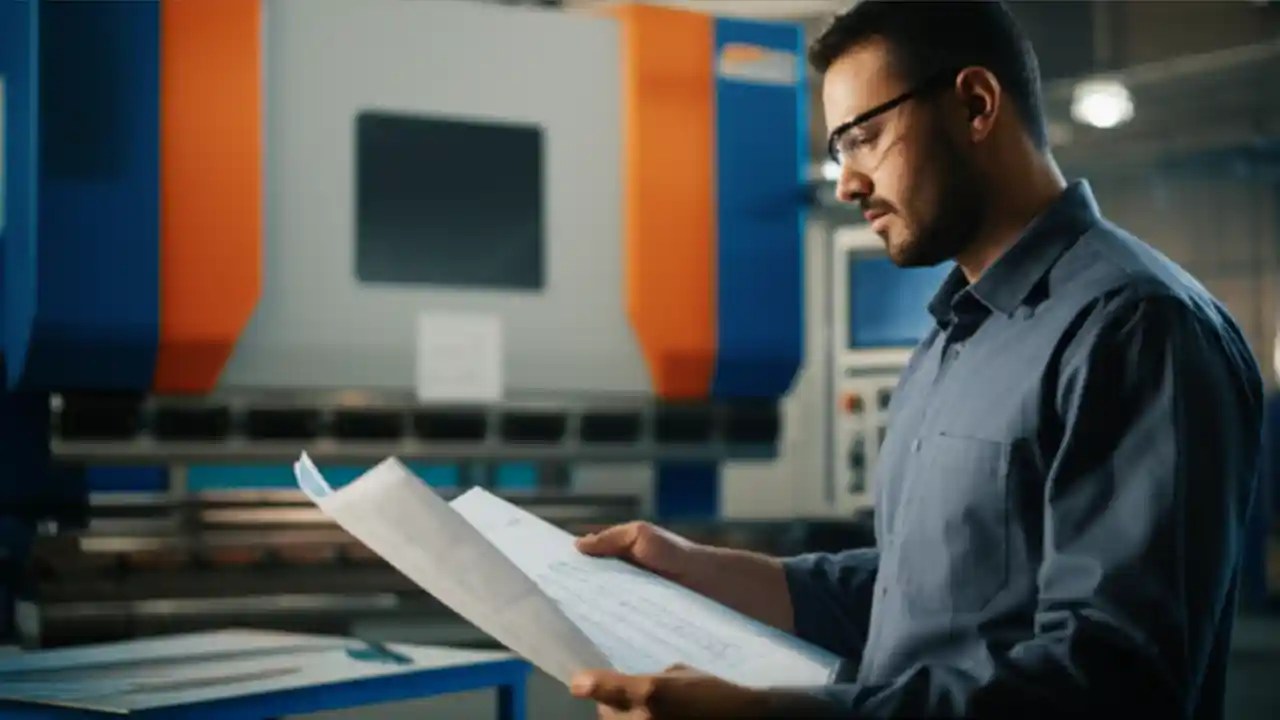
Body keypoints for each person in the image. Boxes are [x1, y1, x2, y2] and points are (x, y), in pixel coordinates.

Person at [568, 1, 1265, 718]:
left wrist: (768, 716)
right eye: (839, 150)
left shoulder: (1134, 326)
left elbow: (1114, 683)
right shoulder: (952, 338)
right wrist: (694, 569)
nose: (847, 183)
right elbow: (916, 593)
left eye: (864, 137)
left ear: (975, 104)